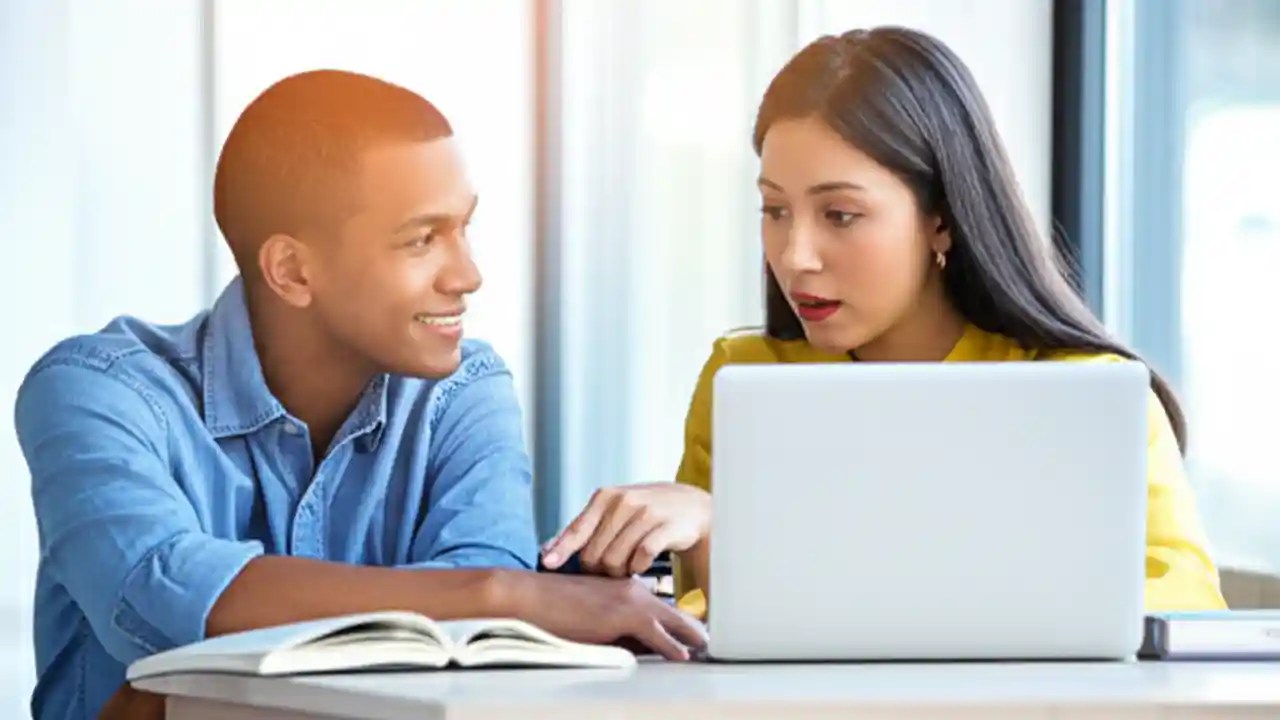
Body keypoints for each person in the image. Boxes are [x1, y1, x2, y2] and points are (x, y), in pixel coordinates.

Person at [16, 69, 704, 720]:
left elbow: (486, 642)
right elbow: (162, 590)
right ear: (292, 270)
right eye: (422, 239)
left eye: (465, 227)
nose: (468, 274)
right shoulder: (98, 390)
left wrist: (189, 694)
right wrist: (498, 597)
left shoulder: (463, 388)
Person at [541, 27, 1227, 618]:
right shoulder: (745, 377)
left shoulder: (1089, 397)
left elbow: (1185, 607)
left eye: (840, 215)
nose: (795, 255)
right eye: (775, 210)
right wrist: (708, 536)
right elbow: (716, 629)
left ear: (942, 217)